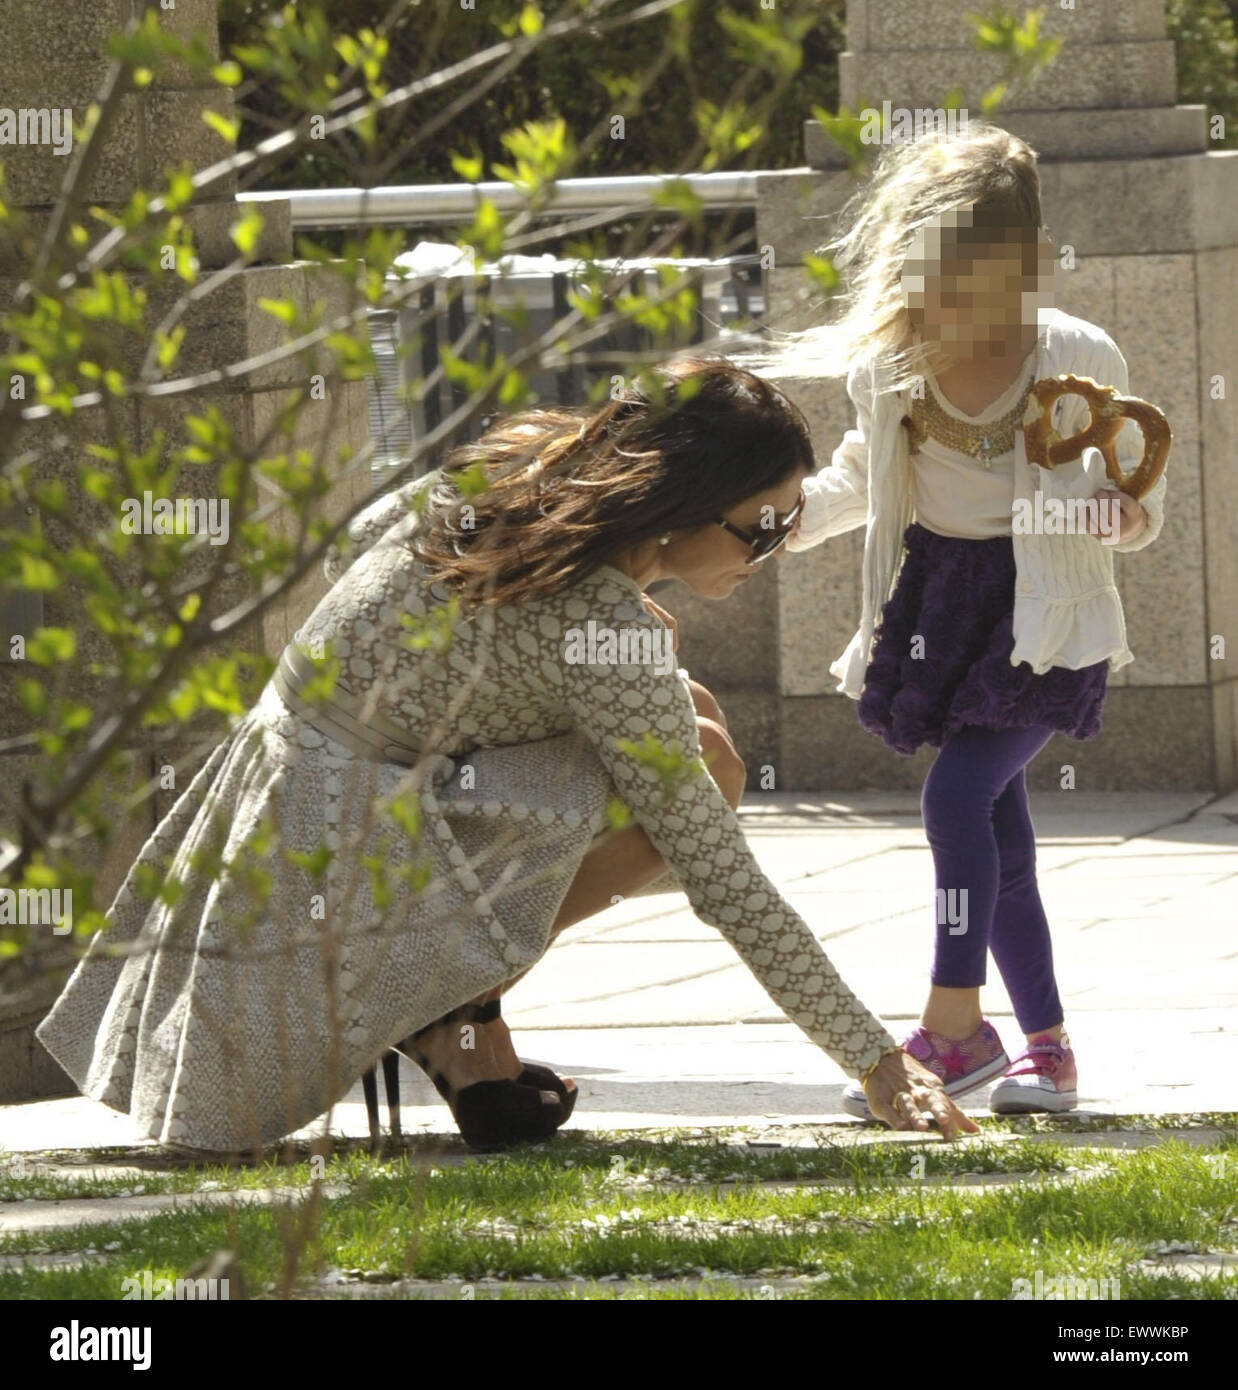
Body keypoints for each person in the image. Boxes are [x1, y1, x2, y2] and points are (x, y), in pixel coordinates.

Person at [37, 355, 975, 1154]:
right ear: (684, 501)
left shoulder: (505, 473)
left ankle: (455, 1012)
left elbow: (353, 552)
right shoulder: (597, 619)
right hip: (333, 856)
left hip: (283, 772)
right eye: (761, 526)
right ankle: (451, 1005)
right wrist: (877, 1064)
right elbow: (720, 874)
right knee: (694, 777)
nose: (773, 551)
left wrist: (467, 686)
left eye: (788, 527)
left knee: (689, 725)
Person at [757, 121, 1168, 1118]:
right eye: (936, 291)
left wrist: (1124, 516)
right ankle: (1047, 1049)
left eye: (979, 294)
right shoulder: (892, 362)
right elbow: (863, 471)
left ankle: (952, 1031)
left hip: (1043, 612)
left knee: (953, 800)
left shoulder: (1071, 352)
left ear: (1025, 272)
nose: (957, 316)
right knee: (1001, 843)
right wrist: (787, 521)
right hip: (941, 607)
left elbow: (1125, 476)